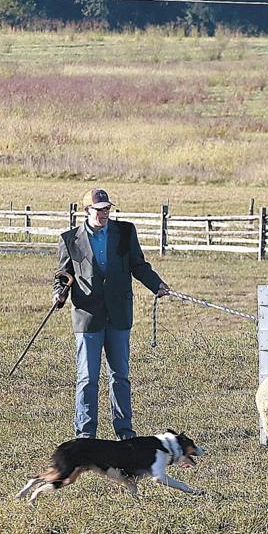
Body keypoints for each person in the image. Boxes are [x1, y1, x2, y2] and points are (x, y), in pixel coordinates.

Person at [54, 187, 169, 439]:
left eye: (107, 209)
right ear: (87, 210)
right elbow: (63, 275)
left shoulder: (125, 232)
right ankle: (85, 435)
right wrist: (59, 294)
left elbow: (138, 265)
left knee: (120, 376)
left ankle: (124, 432)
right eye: (99, 209)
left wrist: (156, 284)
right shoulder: (69, 239)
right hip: (87, 317)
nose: (104, 213)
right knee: (87, 378)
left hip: (118, 314)